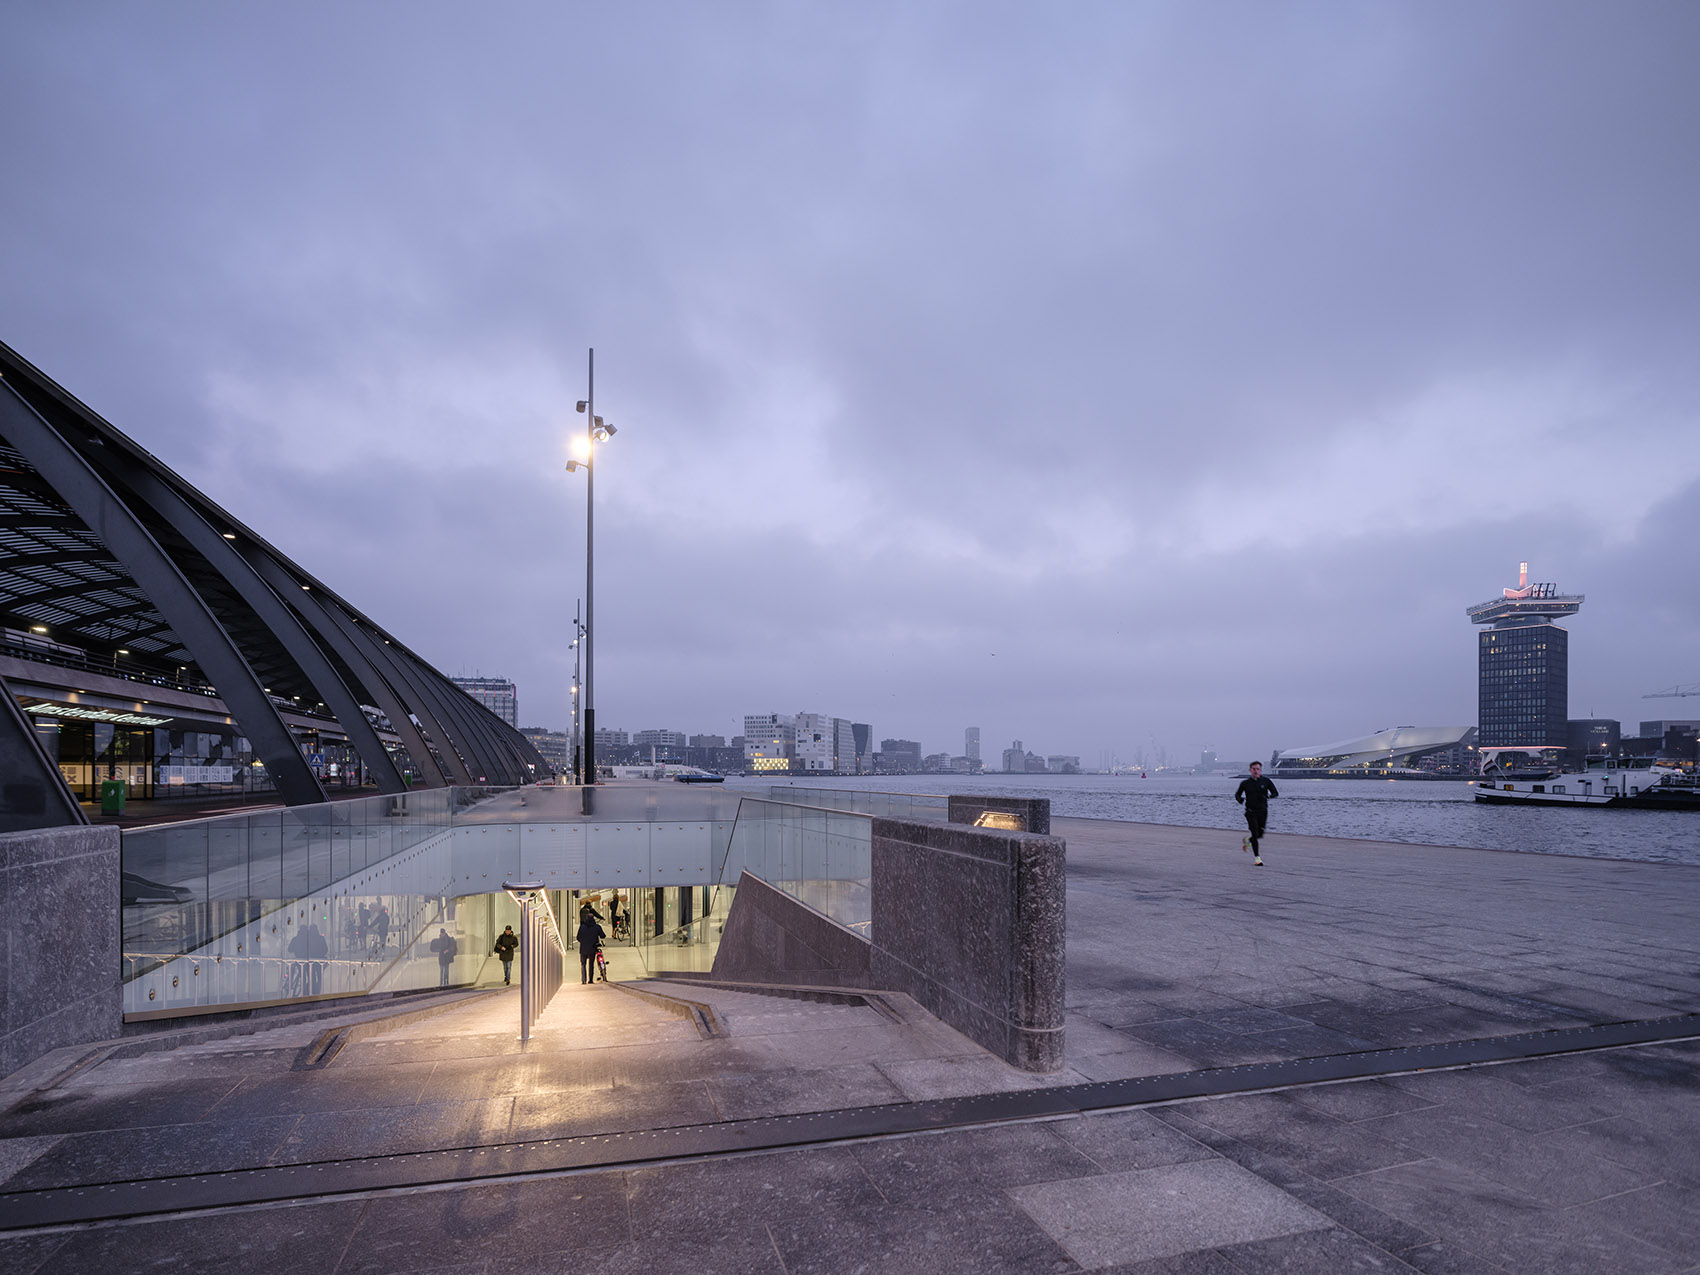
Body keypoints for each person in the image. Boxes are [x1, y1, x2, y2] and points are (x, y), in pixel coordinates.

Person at [1234, 761, 1279, 866]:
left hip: (1263, 811)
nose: (1255, 771)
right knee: (1254, 833)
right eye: (1253, 769)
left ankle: (1247, 840)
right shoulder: (1245, 783)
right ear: (1250, 770)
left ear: (1261, 770)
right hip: (1250, 811)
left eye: (1257, 769)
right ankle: (1257, 858)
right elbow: (1237, 794)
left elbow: (1275, 793)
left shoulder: (1266, 781)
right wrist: (1240, 800)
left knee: (1259, 834)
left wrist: (1269, 796)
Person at [575, 910, 605, 984]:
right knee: (591, 964)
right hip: (593, 948)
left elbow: (578, 937)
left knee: (583, 964)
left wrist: (583, 942)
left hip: (583, 949)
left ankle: (583, 980)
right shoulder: (597, 927)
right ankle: (590, 980)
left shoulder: (582, 927)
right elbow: (603, 935)